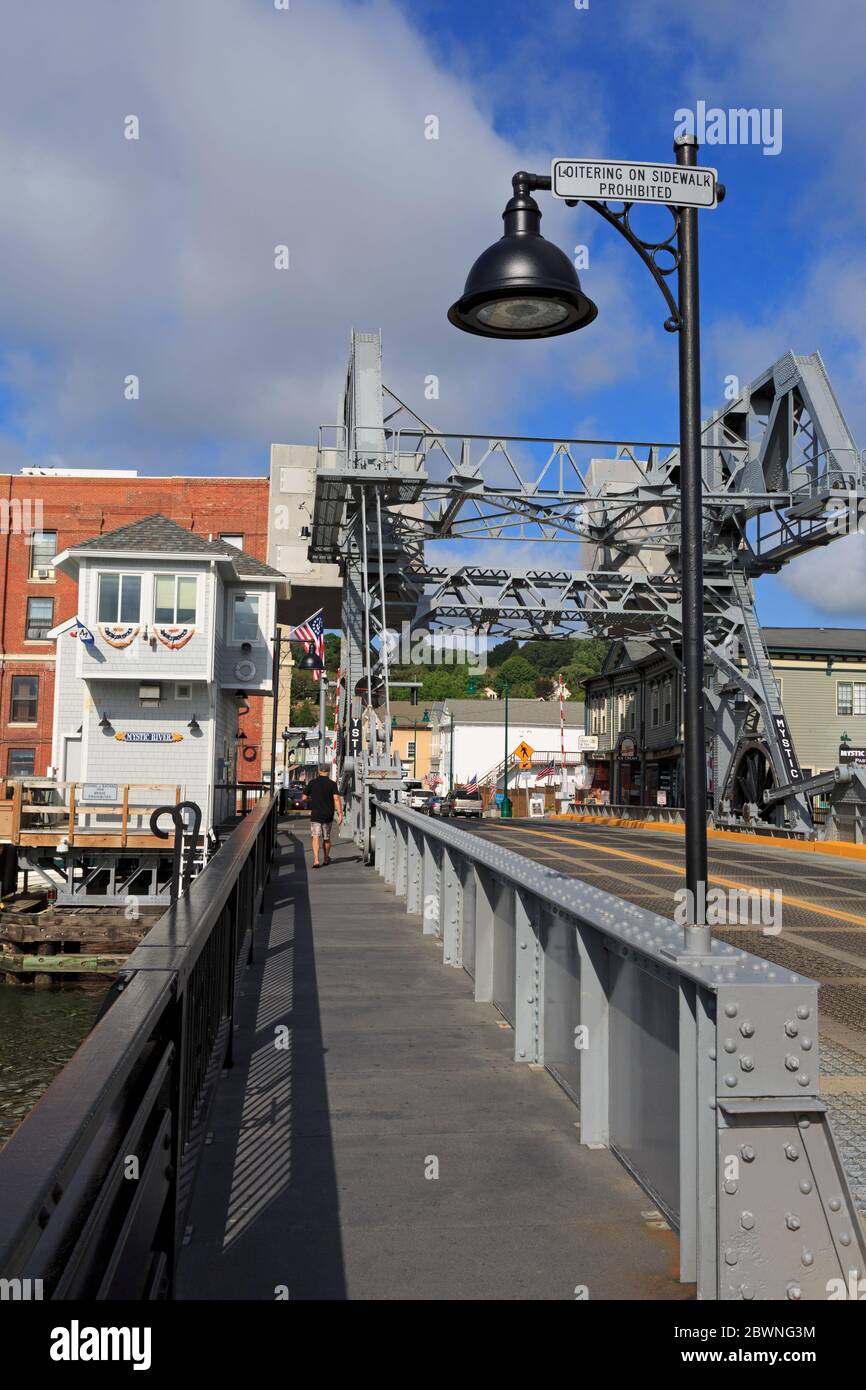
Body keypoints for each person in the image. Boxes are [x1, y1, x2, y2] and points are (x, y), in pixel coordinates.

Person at [307, 763, 343, 868]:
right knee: (326, 838)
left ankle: (316, 860)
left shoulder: (312, 783)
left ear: (319, 771)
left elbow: (304, 797)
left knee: (315, 836)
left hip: (316, 814)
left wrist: (311, 800)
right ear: (328, 771)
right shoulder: (332, 784)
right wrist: (340, 813)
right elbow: (336, 799)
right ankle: (326, 858)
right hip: (328, 814)